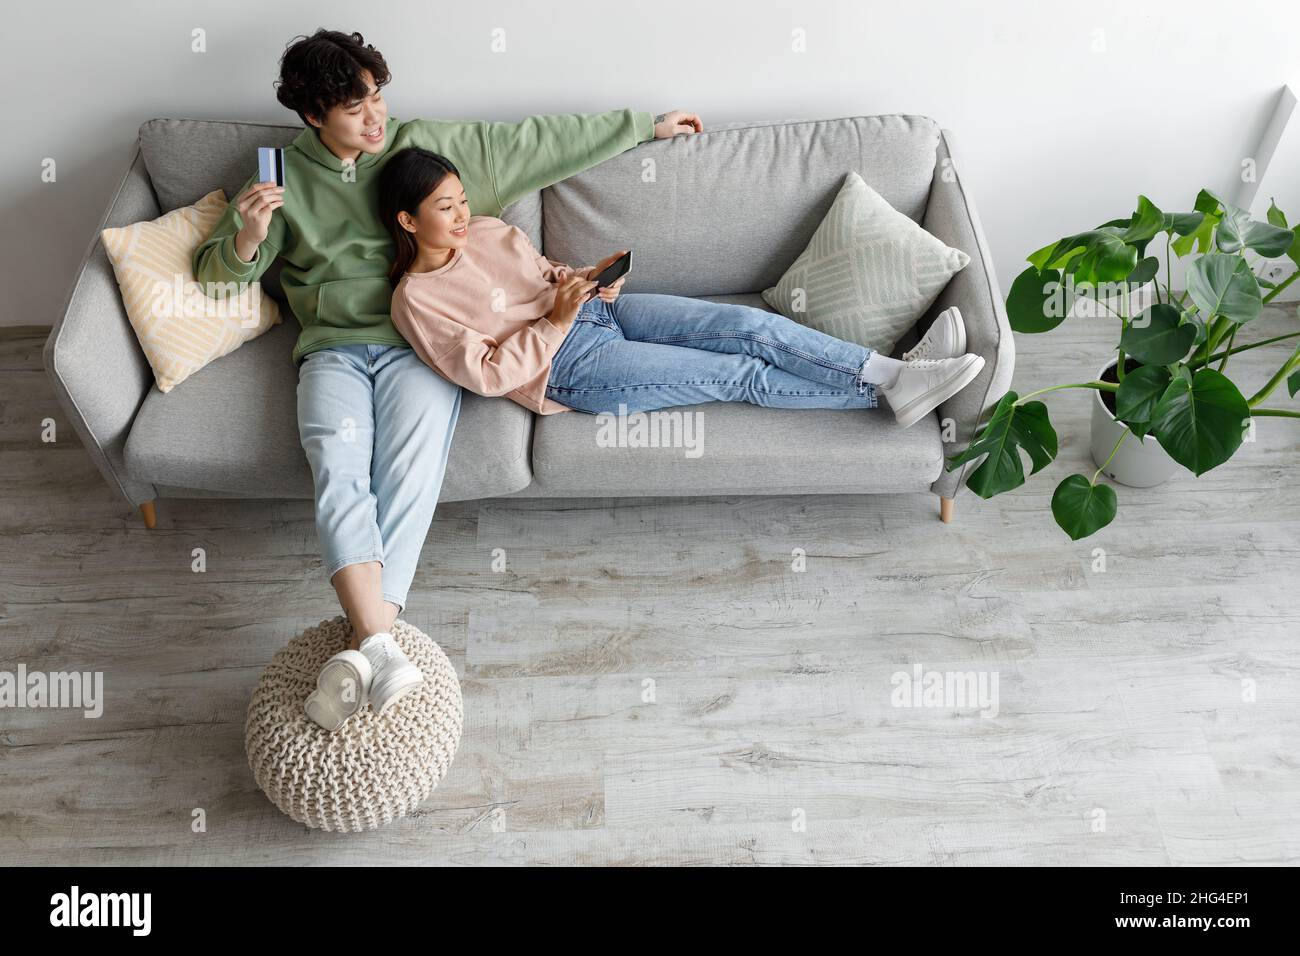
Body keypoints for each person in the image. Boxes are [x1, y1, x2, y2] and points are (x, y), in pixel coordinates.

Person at [192, 29, 704, 730]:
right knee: (336, 467)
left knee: (407, 473)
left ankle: (361, 646)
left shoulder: (416, 150)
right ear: (313, 116)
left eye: (378, 96)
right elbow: (215, 272)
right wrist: (248, 238)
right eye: (353, 108)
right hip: (333, 352)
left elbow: (534, 144)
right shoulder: (278, 176)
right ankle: (378, 644)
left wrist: (642, 125)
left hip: (418, 348)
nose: (375, 118)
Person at [380, 148, 985, 436]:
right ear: (408, 221)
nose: (462, 215)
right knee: (737, 372)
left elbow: (540, 271)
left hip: (593, 313)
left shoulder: (487, 229)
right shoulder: (417, 300)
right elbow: (485, 374)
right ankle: (888, 392)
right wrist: (555, 322)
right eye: (444, 208)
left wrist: (580, 278)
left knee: (752, 328)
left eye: (461, 200)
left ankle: (891, 371)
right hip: (568, 365)